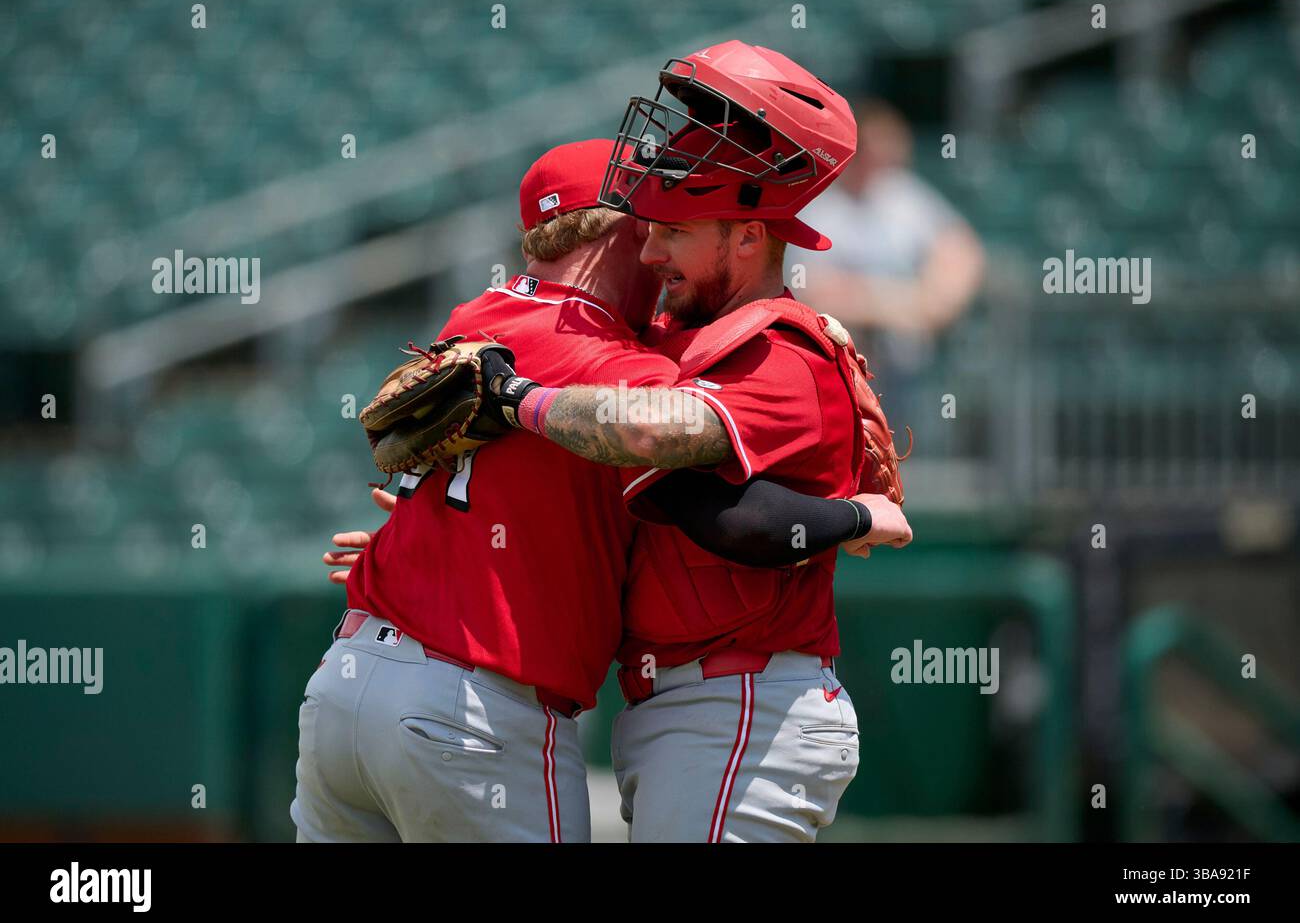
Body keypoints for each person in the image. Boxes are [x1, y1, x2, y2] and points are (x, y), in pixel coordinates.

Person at [296, 138, 911, 843]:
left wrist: (420, 542)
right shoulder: (622, 367)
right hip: (471, 714)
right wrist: (855, 517)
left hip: (343, 689)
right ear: (623, 227)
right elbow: (720, 505)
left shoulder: (466, 325)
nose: (657, 251)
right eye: (656, 223)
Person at [475, 41, 913, 841]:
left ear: (747, 237)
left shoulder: (779, 353)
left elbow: (737, 525)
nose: (647, 252)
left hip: (743, 709)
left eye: (672, 230)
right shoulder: (676, 339)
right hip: (684, 711)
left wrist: (517, 400)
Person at [798, 100, 984, 409]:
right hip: (841, 366)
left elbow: (961, 255)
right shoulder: (821, 206)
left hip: (910, 369)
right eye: (872, 145)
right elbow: (816, 293)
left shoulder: (904, 198)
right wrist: (903, 304)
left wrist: (933, 303)